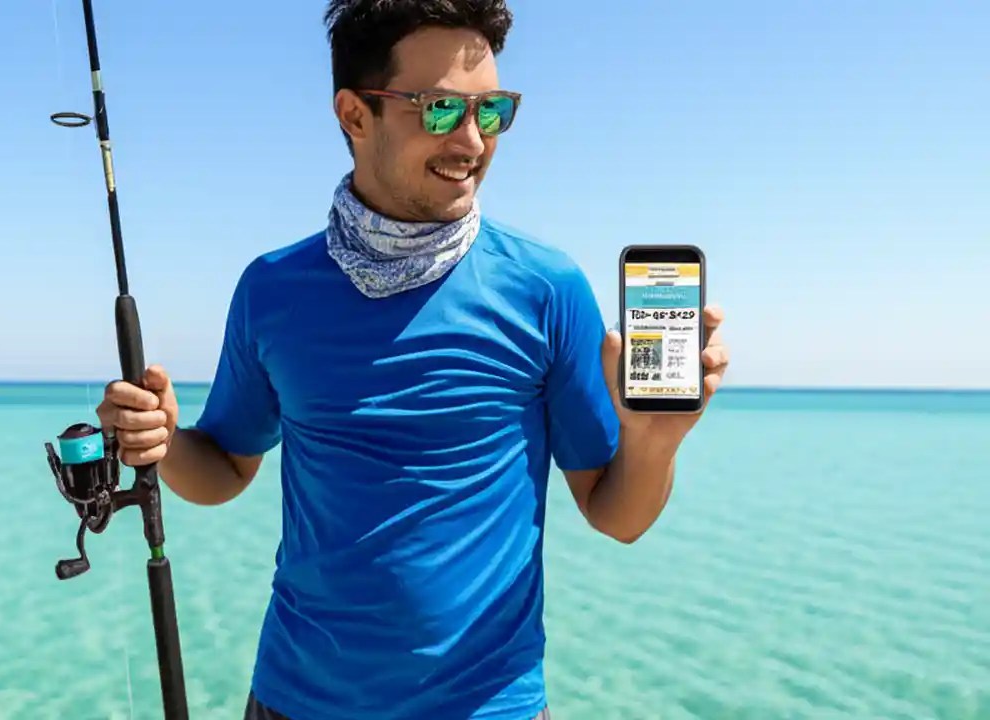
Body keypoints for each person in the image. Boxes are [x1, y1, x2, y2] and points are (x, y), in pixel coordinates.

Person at [95, 1, 730, 718]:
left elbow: (618, 515)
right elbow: (225, 469)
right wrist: (164, 442)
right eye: (439, 110)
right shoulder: (272, 290)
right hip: (295, 702)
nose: (472, 141)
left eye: (491, 112)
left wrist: (655, 440)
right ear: (354, 114)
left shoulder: (547, 289)